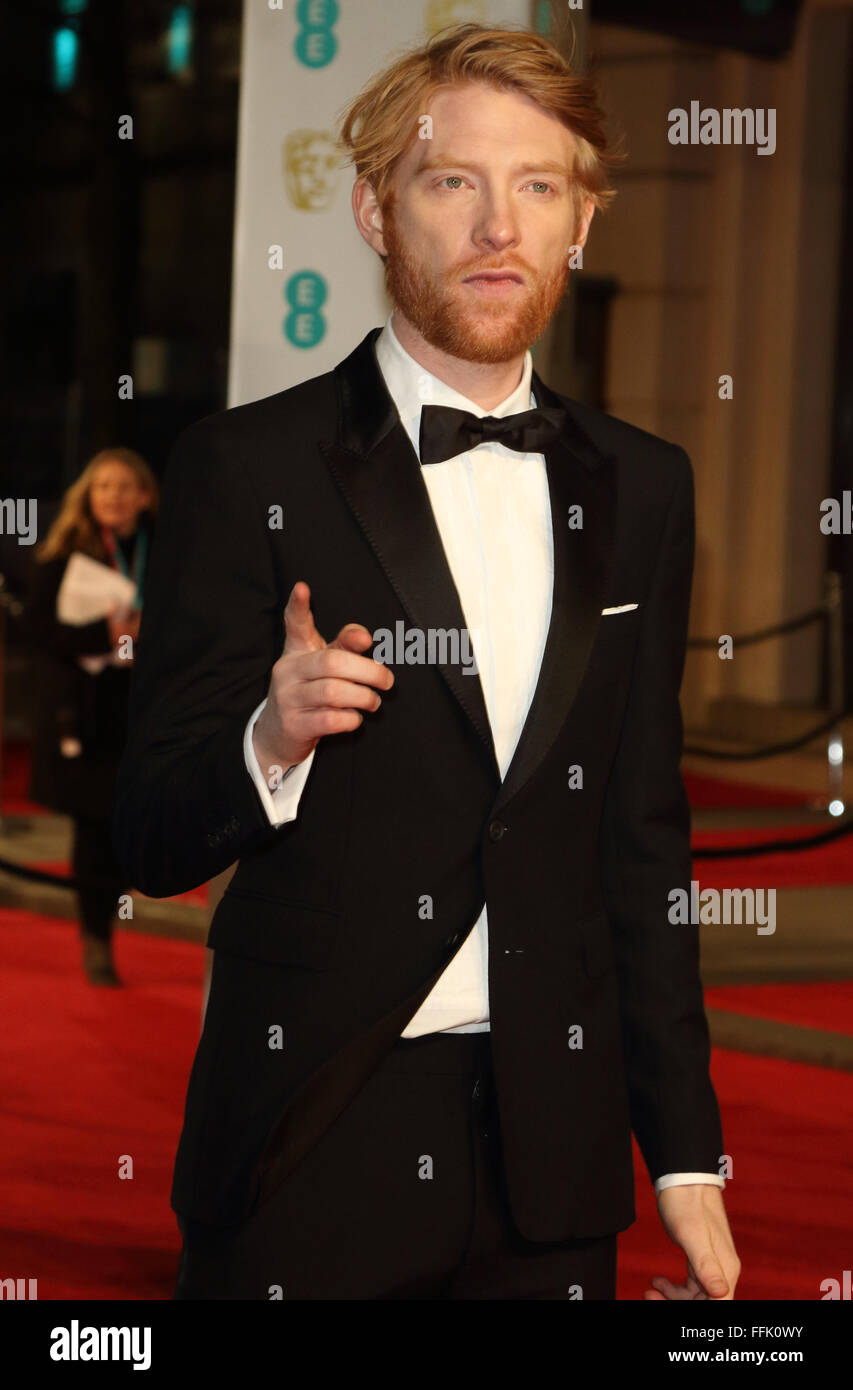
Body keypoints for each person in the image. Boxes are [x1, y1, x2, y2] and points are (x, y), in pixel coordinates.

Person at [113, 24, 740, 1300]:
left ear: (583, 222)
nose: (496, 224)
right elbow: (148, 836)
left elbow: (642, 841)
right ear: (373, 207)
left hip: (553, 1159)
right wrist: (267, 741)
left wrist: (685, 1157)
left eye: (540, 184)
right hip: (311, 1135)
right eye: (452, 180)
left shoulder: (647, 490)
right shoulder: (247, 470)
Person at [28, 447, 157, 986]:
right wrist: (103, 637)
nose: (114, 496)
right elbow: (40, 633)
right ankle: (96, 940)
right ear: (88, 494)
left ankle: (109, 911)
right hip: (84, 712)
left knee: (134, 830)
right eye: (103, 486)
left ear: (145, 496)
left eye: (124, 486)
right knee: (92, 829)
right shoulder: (63, 554)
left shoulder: (169, 551)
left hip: (145, 708)